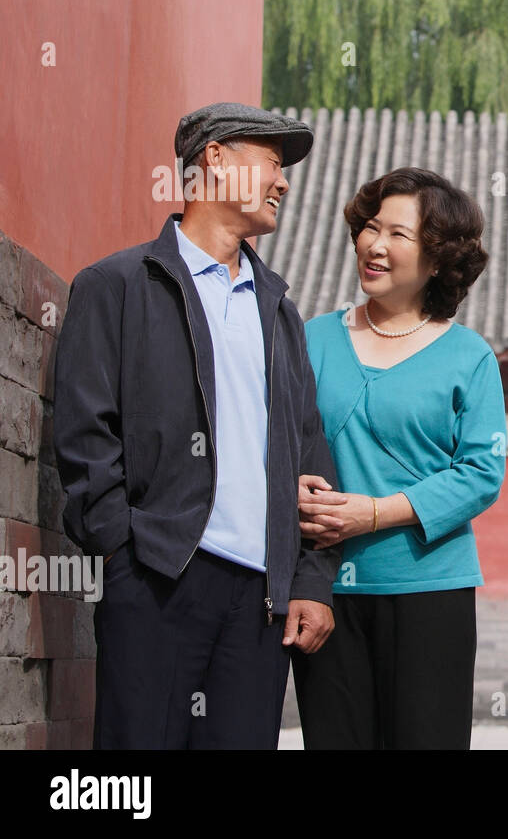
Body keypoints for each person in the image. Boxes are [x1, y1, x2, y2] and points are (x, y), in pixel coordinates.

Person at [52, 102, 343, 749]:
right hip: (159, 577)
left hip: (260, 610)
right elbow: (83, 432)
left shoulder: (280, 315)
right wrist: (123, 550)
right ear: (214, 158)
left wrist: (311, 582)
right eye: (272, 161)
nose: (284, 182)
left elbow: (311, 454)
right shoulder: (117, 285)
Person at [291, 166, 506, 750]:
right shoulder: (311, 338)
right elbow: (279, 443)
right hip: (327, 591)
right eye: (369, 228)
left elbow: (482, 474)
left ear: (437, 259)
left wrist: (375, 513)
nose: (374, 245)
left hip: (430, 591)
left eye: (398, 235)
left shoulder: (469, 356)